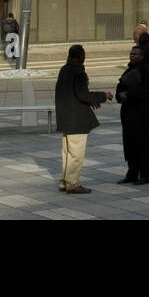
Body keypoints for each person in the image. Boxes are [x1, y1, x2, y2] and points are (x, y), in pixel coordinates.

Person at [53, 44, 112, 194]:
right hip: (76, 119)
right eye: (83, 55)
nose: (84, 58)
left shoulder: (64, 69)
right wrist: (104, 96)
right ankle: (72, 183)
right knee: (76, 154)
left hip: (65, 117)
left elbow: (72, 93)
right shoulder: (77, 72)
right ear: (80, 57)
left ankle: (64, 181)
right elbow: (83, 95)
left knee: (67, 152)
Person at [116, 46, 149, 185]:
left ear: (142, 56)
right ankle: (132, 173)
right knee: (130, 144)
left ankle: (145, 174)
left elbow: (147, 93)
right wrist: (120, 95)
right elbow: (120, 87)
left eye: (135, 54)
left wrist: (129, 95)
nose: (132, 56)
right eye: (131, 54)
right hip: (128, 114)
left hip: (141, 114)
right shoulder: (129, 70)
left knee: (143, 145)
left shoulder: (146, 71)